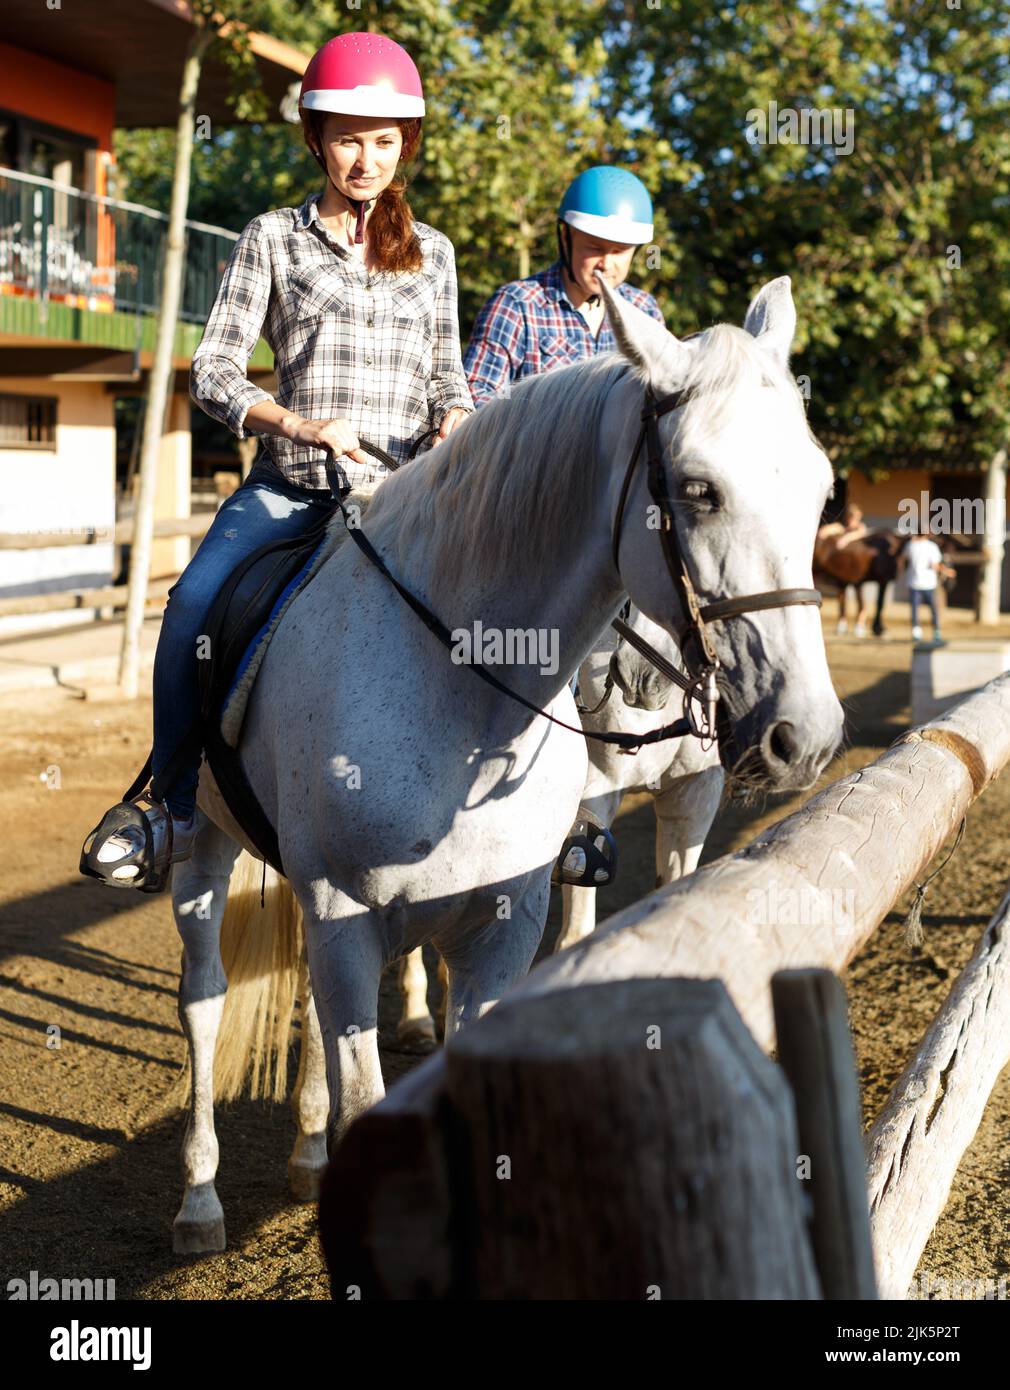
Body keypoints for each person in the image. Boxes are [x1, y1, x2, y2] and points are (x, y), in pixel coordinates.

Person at [81, 32, 473, 889]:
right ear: (316, 140)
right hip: (292, 495)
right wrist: (294, 424)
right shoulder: (272, 238)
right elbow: (213, 367)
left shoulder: (434, 254)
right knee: (188, 606)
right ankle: (168, 809)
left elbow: (450, 375)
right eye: (345, 138)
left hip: (406, 501)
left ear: (405, 144)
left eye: (381, 140)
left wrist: (454, 419)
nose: (363, 158)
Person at [463, 166, 665, 885]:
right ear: (566, 234)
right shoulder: (519, 305)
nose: (605, 260)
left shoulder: (643, 313)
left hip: (612, 535)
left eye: (620, 248)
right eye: (593, 242)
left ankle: (619, 803)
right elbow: (478, 407)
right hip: (531, 530)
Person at [900, 525, 956, 643]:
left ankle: (916, 632)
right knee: (933, 609)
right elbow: (935, 565)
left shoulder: (910, 545)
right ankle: (936, 632)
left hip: (913, 582)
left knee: (915, 609)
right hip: (929, 583)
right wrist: (947, 571)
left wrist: (903, 572)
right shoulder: (932, 547)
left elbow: (902, 560)